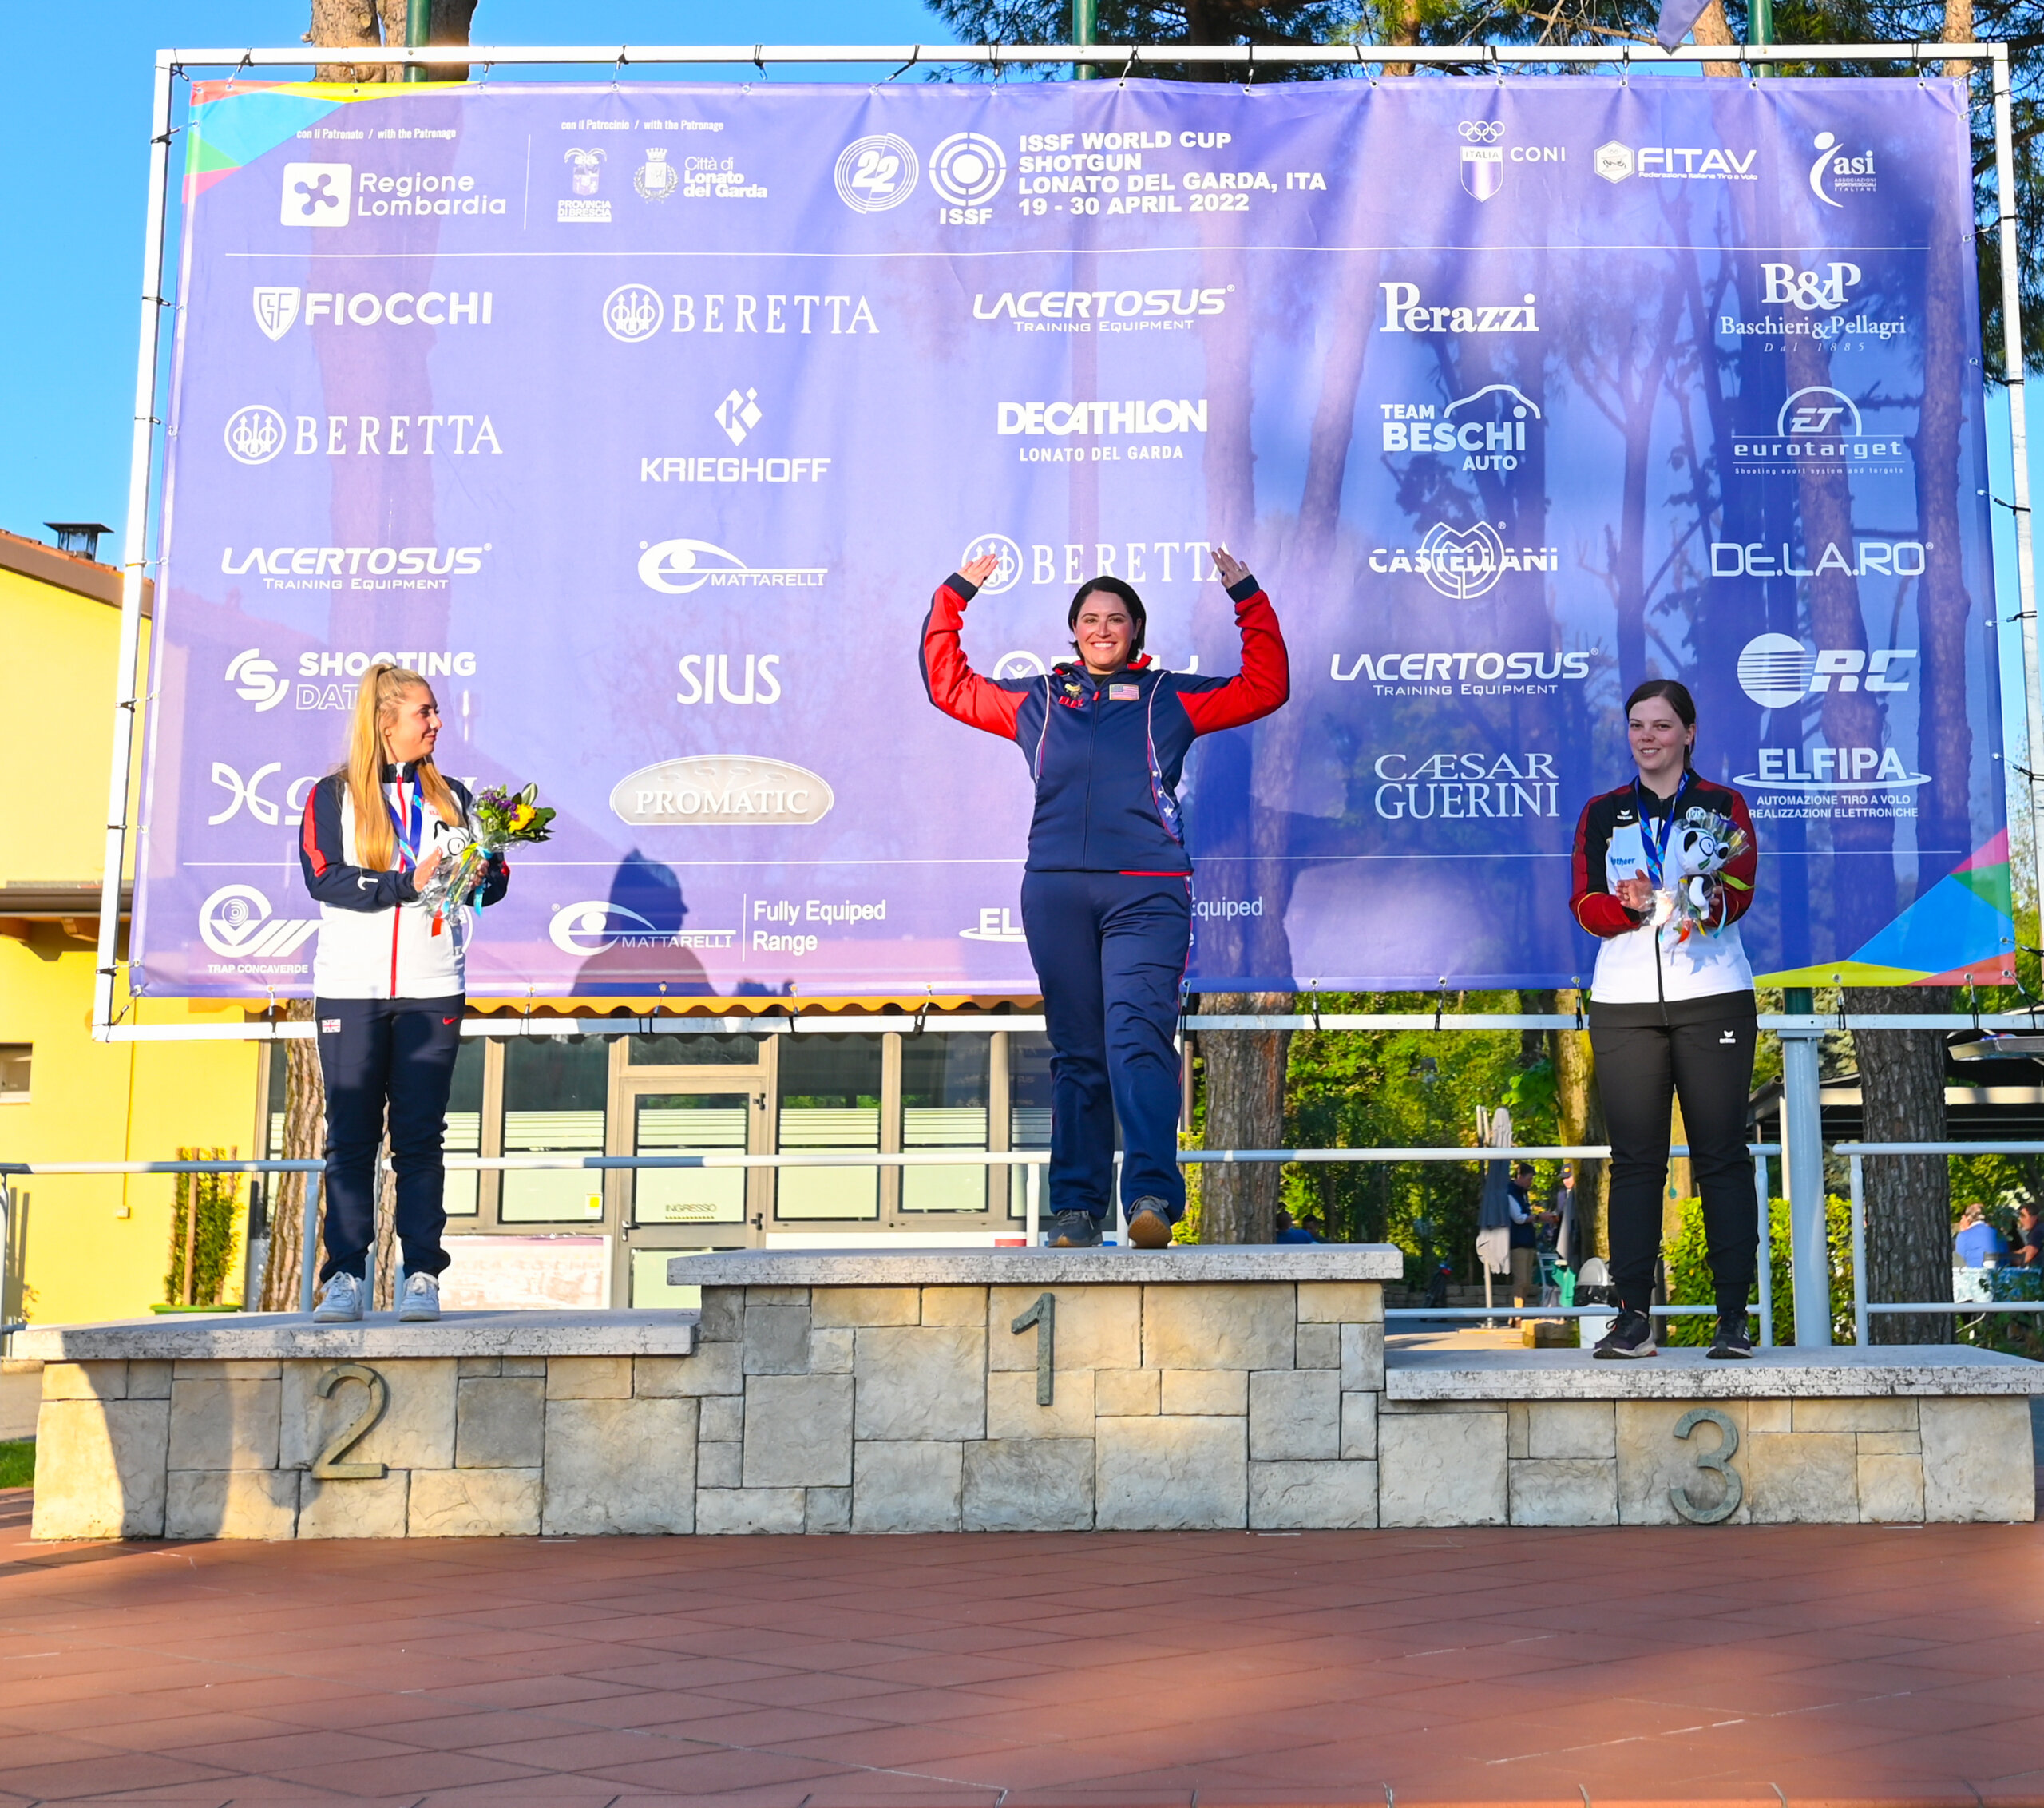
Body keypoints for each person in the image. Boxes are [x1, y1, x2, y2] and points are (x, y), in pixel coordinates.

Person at [922, 548, 1288, 1247]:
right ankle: (1076, 1211)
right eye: (1090, 619)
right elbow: (947, 683)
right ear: (1072, 632)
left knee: (1138, 1043)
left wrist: (1247, 596)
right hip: (1056, 893)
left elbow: (1266, 686)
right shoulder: (1036, 702)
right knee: (1078, 1053)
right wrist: (955, 592)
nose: (1102, 628)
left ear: (1136, 633)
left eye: (1116, 618)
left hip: (1147, 894)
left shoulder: (1167, 698)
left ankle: (1150, 1199)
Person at [298, 663, 509, 1322]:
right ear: (386, 720)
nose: (437, 723)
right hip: (350, 989)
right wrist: (403, 885)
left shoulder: (457, 799)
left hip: (432, 988)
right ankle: (345, 1279)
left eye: (437, 713)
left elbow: (486, 890)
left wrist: (489, 865)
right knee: (351, 1140)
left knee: (420, 1139)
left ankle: (421, 1273)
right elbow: (324, 878)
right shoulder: (331, 796)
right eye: (426, 713)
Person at [1570, 679, 1760, 1360]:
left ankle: (1733, 1319)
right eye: (1637, 726)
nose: (1647, 737)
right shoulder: (1603, 812)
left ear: (1689, 733)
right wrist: (1626, 907)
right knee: (1636, 1162)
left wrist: (1676, 897)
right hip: (1624, 1004)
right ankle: (1632, 1319)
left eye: (1660, 726)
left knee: (1721, 1157)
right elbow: (1583, 905)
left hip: (1713, 995)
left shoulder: (1721, 805)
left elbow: (1740, 892)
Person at [1507, 1161, 1539, 1315]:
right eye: (1529, 1179)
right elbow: (1518, 1218)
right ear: (1520, 1177)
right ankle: (1517, 1314)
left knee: (1527, 1281)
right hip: (1518, 1242)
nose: (1530, 1182)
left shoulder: (1522, 1193)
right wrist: (1538, 1217)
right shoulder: (1511, 1193)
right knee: (1521, 1280)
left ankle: (1521, 1311)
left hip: (1527, 1241)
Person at [1953, 1203, 2007, 1268]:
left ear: (1968, 1218)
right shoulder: (2000, 1235)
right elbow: (2006, 1262)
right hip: (1998, 1275)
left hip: (1973, 1276)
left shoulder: (1963, 1236)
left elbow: (1958, 1265)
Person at [2011, 1202, 2044, 1268]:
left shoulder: (2037, 1232)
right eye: (2020, 1217)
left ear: (2034, 1218)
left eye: (2024, 1217)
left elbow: (2028, 1254)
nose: (2021, 1220)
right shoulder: (2039, 1229)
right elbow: (2028, 1249)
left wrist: (2007, 1261)